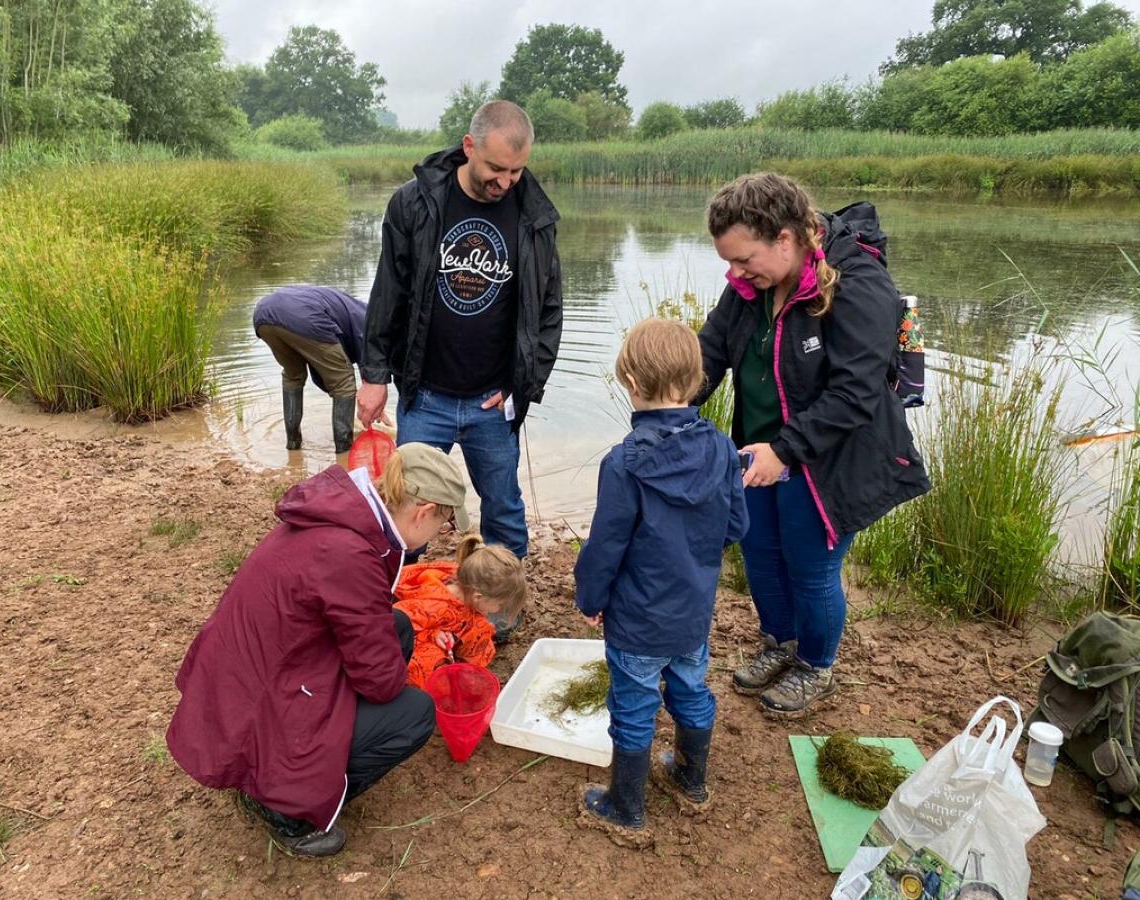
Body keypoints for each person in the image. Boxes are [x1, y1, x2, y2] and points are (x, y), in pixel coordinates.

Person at [696, 172, 930, 718]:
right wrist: (672, 399)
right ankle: (779, 644)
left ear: (785, 238)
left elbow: (856, 392)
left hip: (829, 461)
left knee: (811, 567)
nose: (734, 273)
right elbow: (711, 351)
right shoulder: (750, 286)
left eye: (743, 259)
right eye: (728, 263)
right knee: (760, 555)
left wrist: (786, 449)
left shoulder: (858, 281)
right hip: (757, 452)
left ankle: (817, 666)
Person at [165, 443, 471, 858]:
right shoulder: (349, 553)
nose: (438, 536)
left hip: (246, 678)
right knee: (414, 713)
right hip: (256, 705)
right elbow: (380, 684)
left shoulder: (341, 515)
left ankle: (312, 754)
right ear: (424, 511)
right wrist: (388, 679)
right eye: (444, 524)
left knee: (396, 626)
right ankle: (286, 808)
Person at [355, 99, 563, 565]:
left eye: (516, 171)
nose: (505, 182)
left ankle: (500, 607)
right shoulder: (415, 202)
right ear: (469, 146)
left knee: (504, 511)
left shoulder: (535, 217)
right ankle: (398, 604)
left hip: (494, 402)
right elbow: (388, 290)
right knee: (406, 510)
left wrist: (521, 385)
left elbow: (548, 312)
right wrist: (374, 376)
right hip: (425, 396)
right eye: (495, 168)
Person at [574, 318, 748, 847]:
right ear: (695, 379)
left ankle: (625, 806)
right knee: (692, 687)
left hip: (637, 619)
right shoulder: (720, 447)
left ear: (629, 379)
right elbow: (738, 525)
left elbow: (604, 548)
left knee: (633, 705)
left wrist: (590, 597)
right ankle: (691, 780)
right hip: (692, 614)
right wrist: (694, 558)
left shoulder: (623, 463)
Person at [392, 533, 527, 689]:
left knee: (481, 629)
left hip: (448, 626)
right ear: (478, 596)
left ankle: (469, 668)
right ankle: (430, 689)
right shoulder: (437, 606)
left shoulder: (468, 578)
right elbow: (397, 621)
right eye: (500, 605)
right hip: (408, 646)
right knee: (430, 660)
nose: (499, 610)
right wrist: (433, 633)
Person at [252, 284, 367, 454]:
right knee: (343, 382)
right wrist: (371, 395)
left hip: (263, 314)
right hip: (302, 317)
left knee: (293, 375)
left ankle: (293, 444)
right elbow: (367, 357)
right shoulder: (367, 317)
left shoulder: (347, 304)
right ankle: (344, 453)